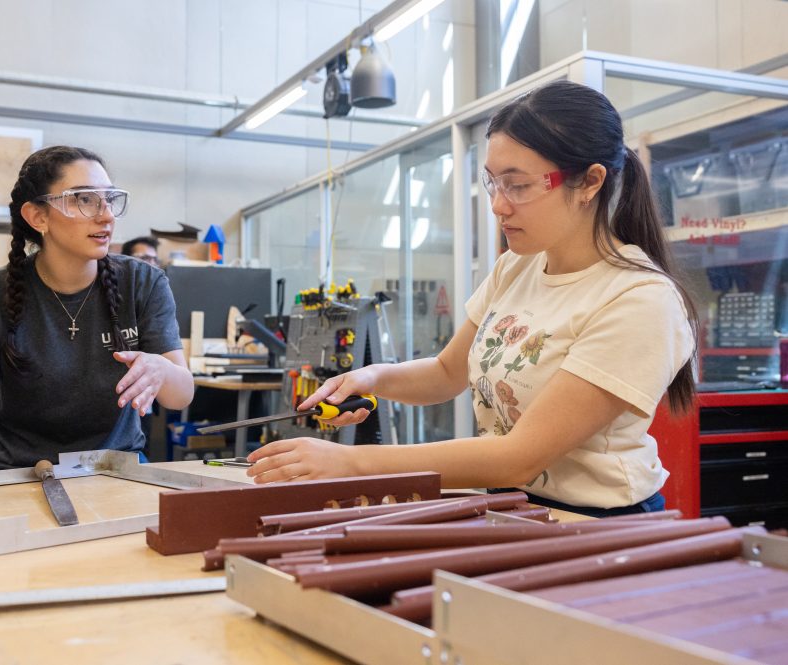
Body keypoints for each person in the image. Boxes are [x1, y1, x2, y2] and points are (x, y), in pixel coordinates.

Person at [246, 80, 698, 517]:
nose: (499, 205)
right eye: (493, 183)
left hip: (596, 526)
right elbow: (446, 372)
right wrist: (370, 377)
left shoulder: (640, 300)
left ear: (590, 182)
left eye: (517, 185)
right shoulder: (516, 267)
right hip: (512, 508)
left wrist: (352, 464)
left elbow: (521, 456)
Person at [0, 146, 194, 471]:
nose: (106, 215)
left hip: (111, 470)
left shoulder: (143, 283)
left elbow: (180, 396)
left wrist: (162, 369)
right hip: (11, 471)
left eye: (109, 199)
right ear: (38, 217)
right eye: (84, 199)